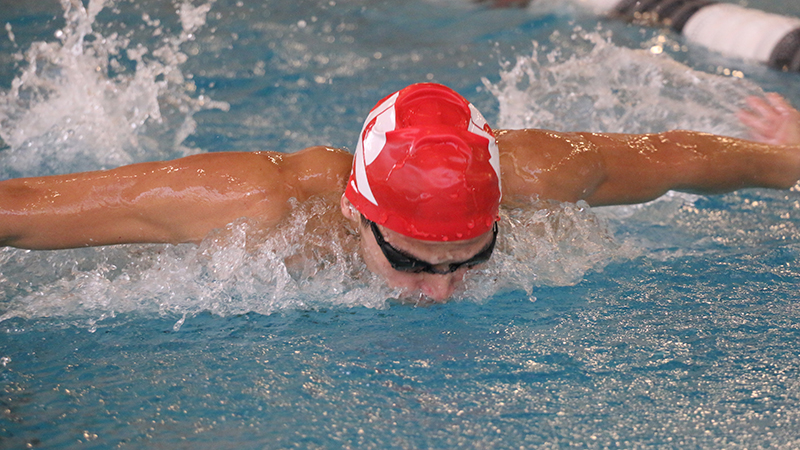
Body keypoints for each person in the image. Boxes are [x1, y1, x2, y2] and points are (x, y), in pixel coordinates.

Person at [1, 83, 800, 302]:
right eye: (414, 264)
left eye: (469, 258)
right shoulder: (253, 203)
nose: (443, 291)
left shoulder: (539, 175)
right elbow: (25, 211)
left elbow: (673, 158)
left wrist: (787, 161)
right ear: (357, 209)